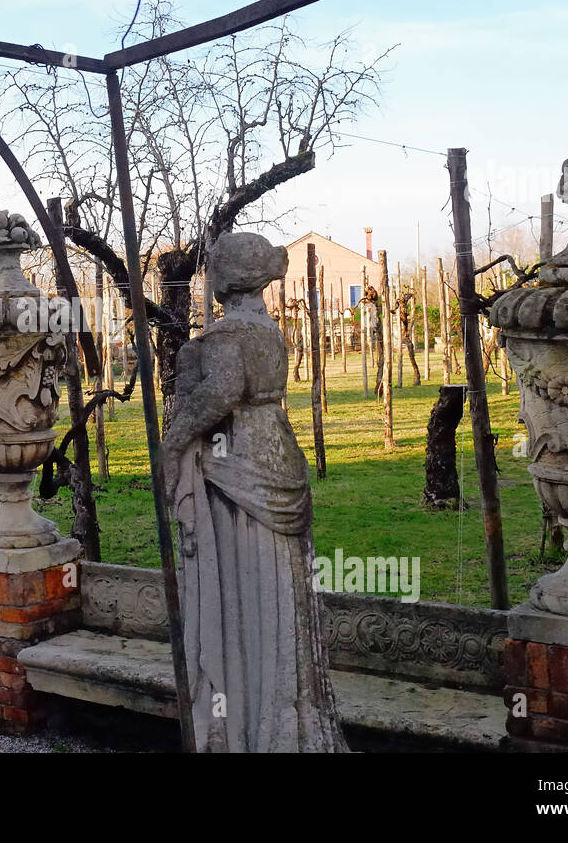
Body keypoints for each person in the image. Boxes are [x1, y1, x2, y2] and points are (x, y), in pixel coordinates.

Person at [162, 232, 346, 753]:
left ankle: (247, 727)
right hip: (276, 452)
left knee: (244, 587)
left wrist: (172, 446)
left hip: (235, 462)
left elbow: (221, 394)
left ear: (223, 278)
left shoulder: (226, 336)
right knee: (281, 589)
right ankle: (283, 717)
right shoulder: (270, 331)